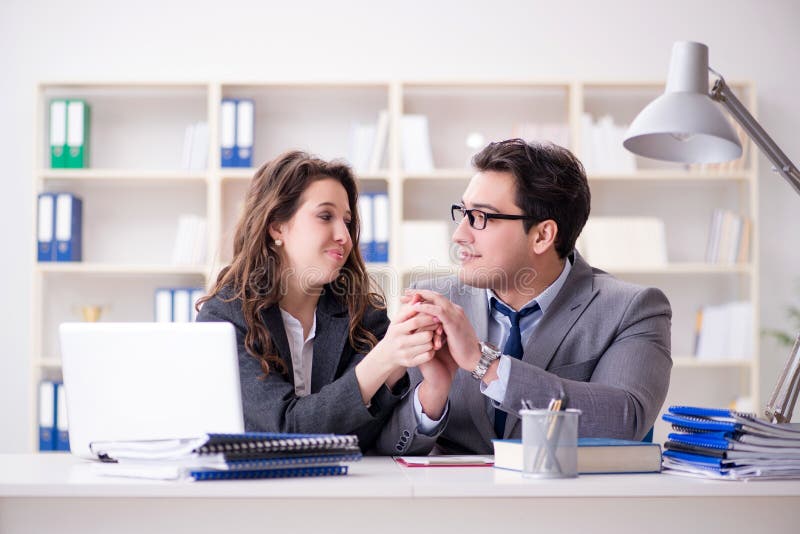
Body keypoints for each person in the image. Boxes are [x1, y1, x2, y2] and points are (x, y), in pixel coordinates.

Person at [377, 138, 672, 455]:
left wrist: (485, 364)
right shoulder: (437, 301)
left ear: (543, 235)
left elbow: (624, 421)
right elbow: (384, 445)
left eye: (481, 217)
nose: (459, 234)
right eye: (463, 213)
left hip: (564, 501)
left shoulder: (632, 309)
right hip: (454, 502)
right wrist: (432, 394)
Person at [197, 150, 441, 452]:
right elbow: (284, 431)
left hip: (347, 492)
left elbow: (369, 438)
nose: (344, 236)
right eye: (325, 216)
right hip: (254, 493)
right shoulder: (226, 316)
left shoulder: (364, 316)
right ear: (277, 226)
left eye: (348, 221)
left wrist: (402, 363)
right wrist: (384, 359)